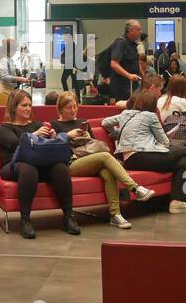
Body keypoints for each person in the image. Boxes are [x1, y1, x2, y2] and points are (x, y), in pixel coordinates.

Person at [52, 91, 155, 228]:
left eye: (75, 106)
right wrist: (67, 136)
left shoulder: (83, 122)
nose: (73, 110)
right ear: (60, 109)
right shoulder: (54, 125)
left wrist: (87, 136)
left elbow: (95, 145)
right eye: (69, 108)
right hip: (71, 163)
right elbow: (53, 148)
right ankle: (135, 189)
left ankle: (115, 215)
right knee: (106, 157)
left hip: (91, 160)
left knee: (108, 172)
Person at [0, 90, 80, 239]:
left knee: (60, 168)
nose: (28, 108)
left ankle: (68, 216)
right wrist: (34, 135)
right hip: (14, 165)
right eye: (24, 105)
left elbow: (47, 145)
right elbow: (15, 144)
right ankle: (25, 220)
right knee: (29, 169)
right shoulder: (5, 127)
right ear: (14, 107)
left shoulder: (37, 124)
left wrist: (52, 137)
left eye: (29, 105)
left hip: (40, 163)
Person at [103, 91, 186, 213]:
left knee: (183, 162)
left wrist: (117, 134)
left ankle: (179, 201)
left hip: (129, 160)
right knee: (185, 151)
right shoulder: (150, 116)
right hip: (144, 155)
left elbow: (105, 122)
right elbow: (165, 142)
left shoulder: (126, 114)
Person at [107, 21, 143, 103]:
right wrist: (129, 75)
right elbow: (114, 64)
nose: (140, 32)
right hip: (123, 85)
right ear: (130, 31)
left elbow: (136, 62)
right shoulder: (120, 43)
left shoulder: (133, 44)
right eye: (138, 29)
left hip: (133, 83)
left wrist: (144, 77)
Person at [0, 37, 28, 106]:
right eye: (15, 50)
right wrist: (18, 78)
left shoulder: (9, 59)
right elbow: (4, 76)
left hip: (8, 90)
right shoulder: (4, 59)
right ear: (10, 50)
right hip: (3, 91)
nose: (15, 52)